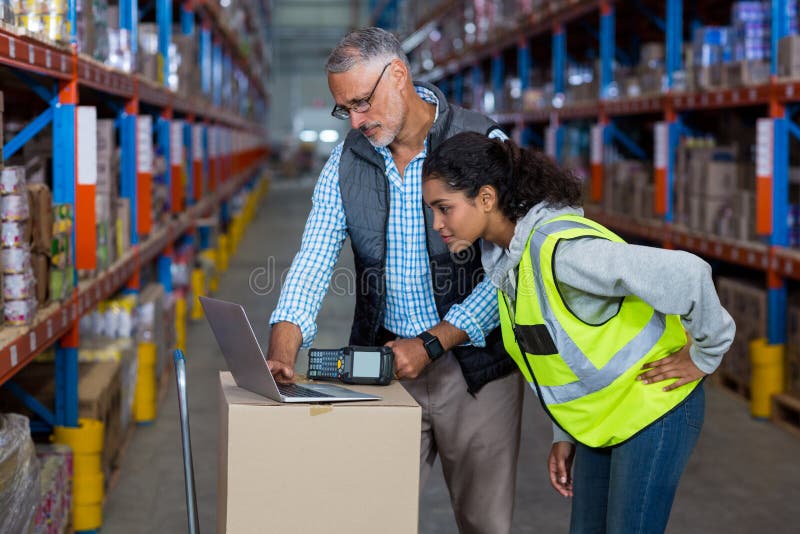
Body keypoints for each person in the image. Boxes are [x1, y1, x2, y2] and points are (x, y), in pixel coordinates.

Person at [266, 28, 524, 534]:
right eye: (346, 110)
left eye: (362, 102)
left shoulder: (481, 143)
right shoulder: (348, 161)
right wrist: (283, 345)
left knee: (484, 523)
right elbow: (314, 258)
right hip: (385, 369)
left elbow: (511, 265)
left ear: (399, 76)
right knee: (372, 518)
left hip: (475, 371)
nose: (356, 121)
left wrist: (433, 342)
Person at [421, 132, 736, 534]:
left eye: (444, 208)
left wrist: (704, 356)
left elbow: (689, 274)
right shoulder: (506, 263)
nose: (437, 224)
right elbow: (556, 354)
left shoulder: (563, 252)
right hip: (602, 420)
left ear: (486, 198)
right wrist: (564, 430)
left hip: (654, 408)